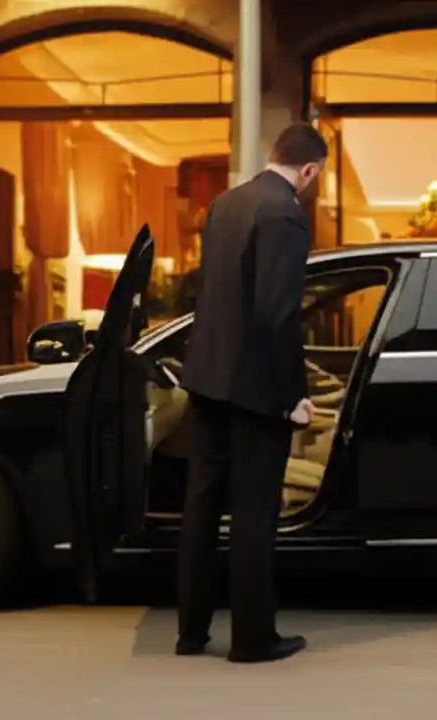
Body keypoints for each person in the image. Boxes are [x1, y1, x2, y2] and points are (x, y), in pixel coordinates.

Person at [176, 123, 328, 663]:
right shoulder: (286, 214)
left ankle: (190, 633)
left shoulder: (227, 204)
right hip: (254, 389)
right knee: (253, 512)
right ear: (309, 170)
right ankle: (253, 638)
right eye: (316, 178)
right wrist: (293, 395)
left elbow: (217, 296)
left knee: (201, 505)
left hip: (207, 379)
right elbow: (277, 314)